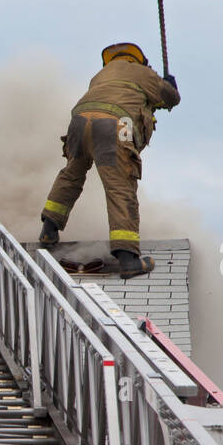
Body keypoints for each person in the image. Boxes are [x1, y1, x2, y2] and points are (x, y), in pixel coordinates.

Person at [39, 42, 180, 278]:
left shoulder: (100, 75)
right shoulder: (144, 73)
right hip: (116, 124)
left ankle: (48, 231)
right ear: (139, 60)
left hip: (78, 123)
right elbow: (170, 99)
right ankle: (128, 260)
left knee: (71, 174)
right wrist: (169, 86)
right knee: (120, 185)